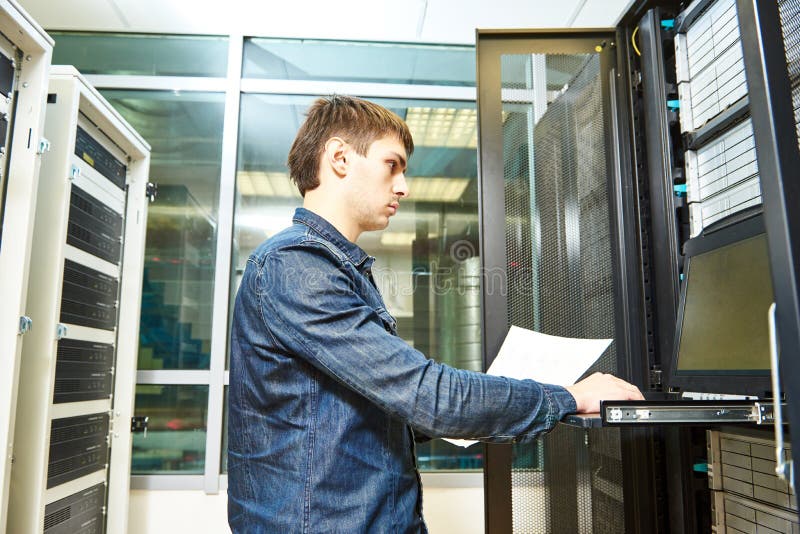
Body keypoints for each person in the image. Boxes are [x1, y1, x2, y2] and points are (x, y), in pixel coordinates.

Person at [227, 95, 643, 533]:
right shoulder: (295, 266)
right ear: (340, 157)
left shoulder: (339, 268)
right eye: (392, 165)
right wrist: (567, 396)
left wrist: (463, 403)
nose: (403, 186)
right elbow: (426, 396)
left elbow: (368, 408)